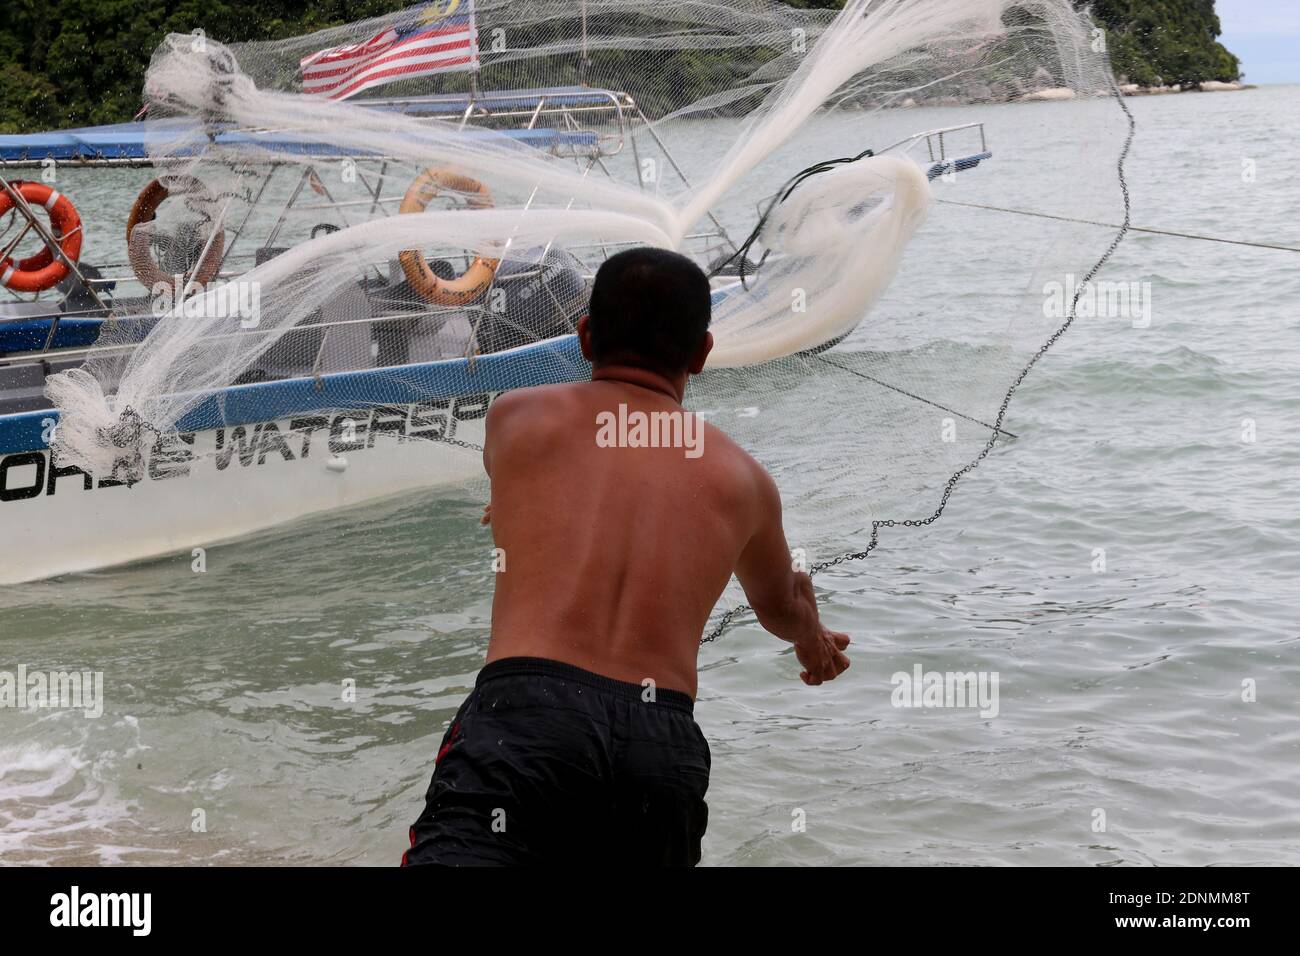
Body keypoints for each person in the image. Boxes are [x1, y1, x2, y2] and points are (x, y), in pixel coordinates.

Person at [404, 247, 850, 866]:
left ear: (586, 335)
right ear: (701, 352)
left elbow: (542, 490)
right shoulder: (744, 479)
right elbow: (784, 605)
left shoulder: (515, 416)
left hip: (527, 714)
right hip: (658, 742)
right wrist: (813, 640)